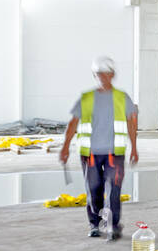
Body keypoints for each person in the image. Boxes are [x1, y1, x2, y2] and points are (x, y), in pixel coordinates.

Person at [59, 56, 139, 240]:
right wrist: (65, 148)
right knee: (94, 190)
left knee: (114, 191)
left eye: (107, 74)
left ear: (113, 75)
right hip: (91, 154)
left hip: (114, 153)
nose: (103, 78)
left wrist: (134, 148)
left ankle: (114, 225)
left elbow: (131, 123)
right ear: (95, 75)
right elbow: (73, 124)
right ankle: (95, 224)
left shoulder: (122, 97)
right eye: (99, 74)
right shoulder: (86, 98)